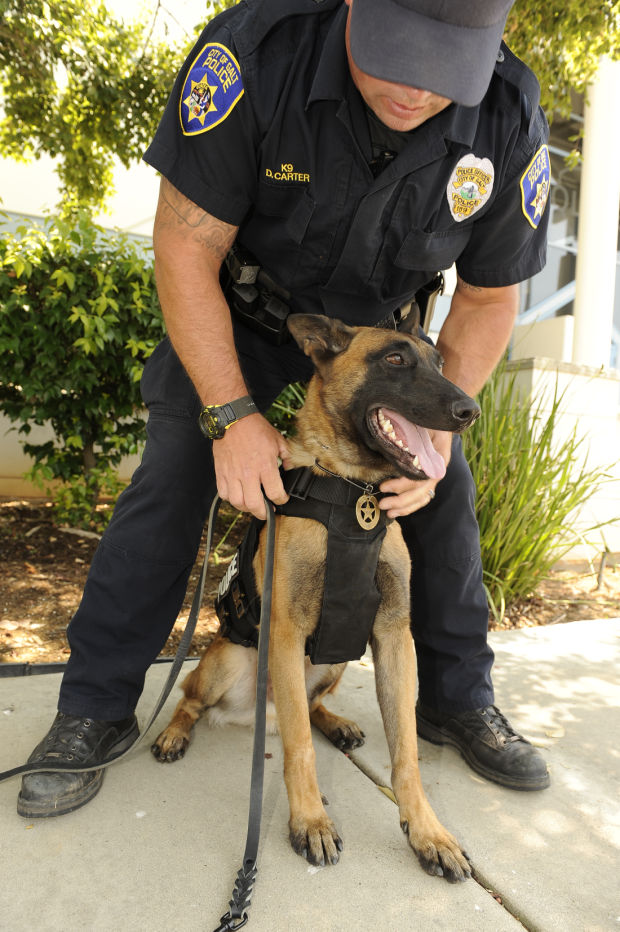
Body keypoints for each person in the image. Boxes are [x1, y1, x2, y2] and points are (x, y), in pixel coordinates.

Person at [18, 0, 552, 819]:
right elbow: (185, 246)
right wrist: (232, 417)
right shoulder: (255, 53)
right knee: (174, 475)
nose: (415, 90)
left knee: (444, 505)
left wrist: (435, 444)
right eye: (398, 56)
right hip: (241, 323)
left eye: (443, 72)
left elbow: (487, 297)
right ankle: (93, 708)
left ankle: (456, 700)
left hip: (381, 354)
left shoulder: (508, 109)